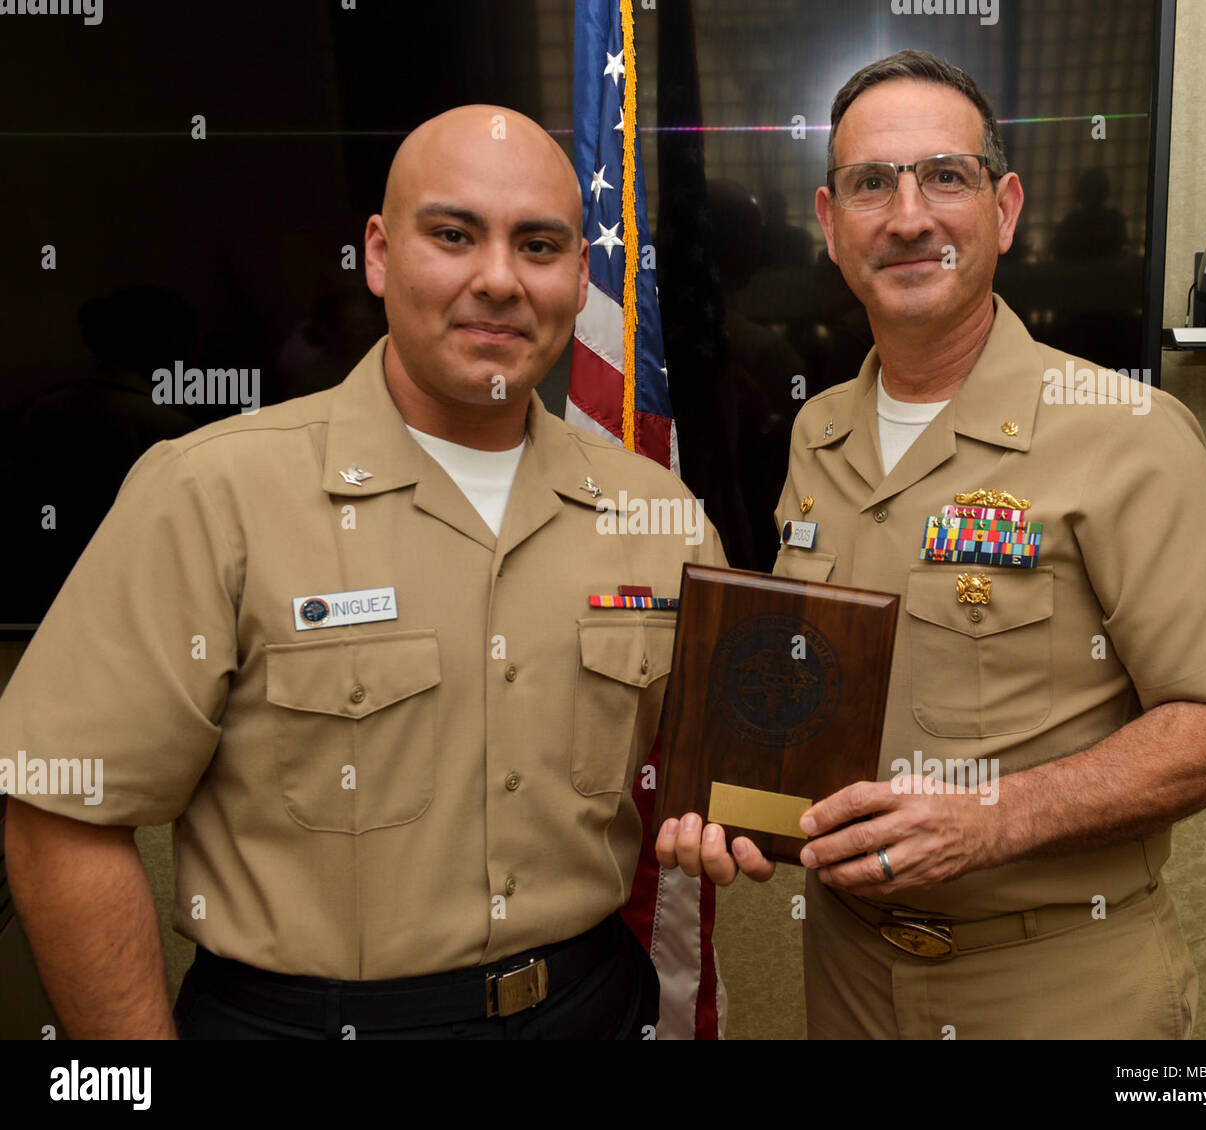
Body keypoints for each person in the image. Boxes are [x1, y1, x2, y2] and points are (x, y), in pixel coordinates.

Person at [1, 105, 724, 1040]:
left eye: (539, 246)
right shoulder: (211, 493)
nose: (498, 280)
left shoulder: (660, 518)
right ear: (379, 254)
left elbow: (746, 757)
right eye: (454, 235)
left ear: (580, 278)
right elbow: (60, 814)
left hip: (588, 1005)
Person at [657, 50, 1206, 1039]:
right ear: (829, 224)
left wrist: (990, 815)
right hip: (850, 974)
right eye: (872, 183)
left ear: (1003, 208)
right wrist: (735, 809)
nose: (908, 216)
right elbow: (807, 686)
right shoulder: (817, 431)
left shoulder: (1123, 432)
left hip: (1054, 985)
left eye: (944, 176)